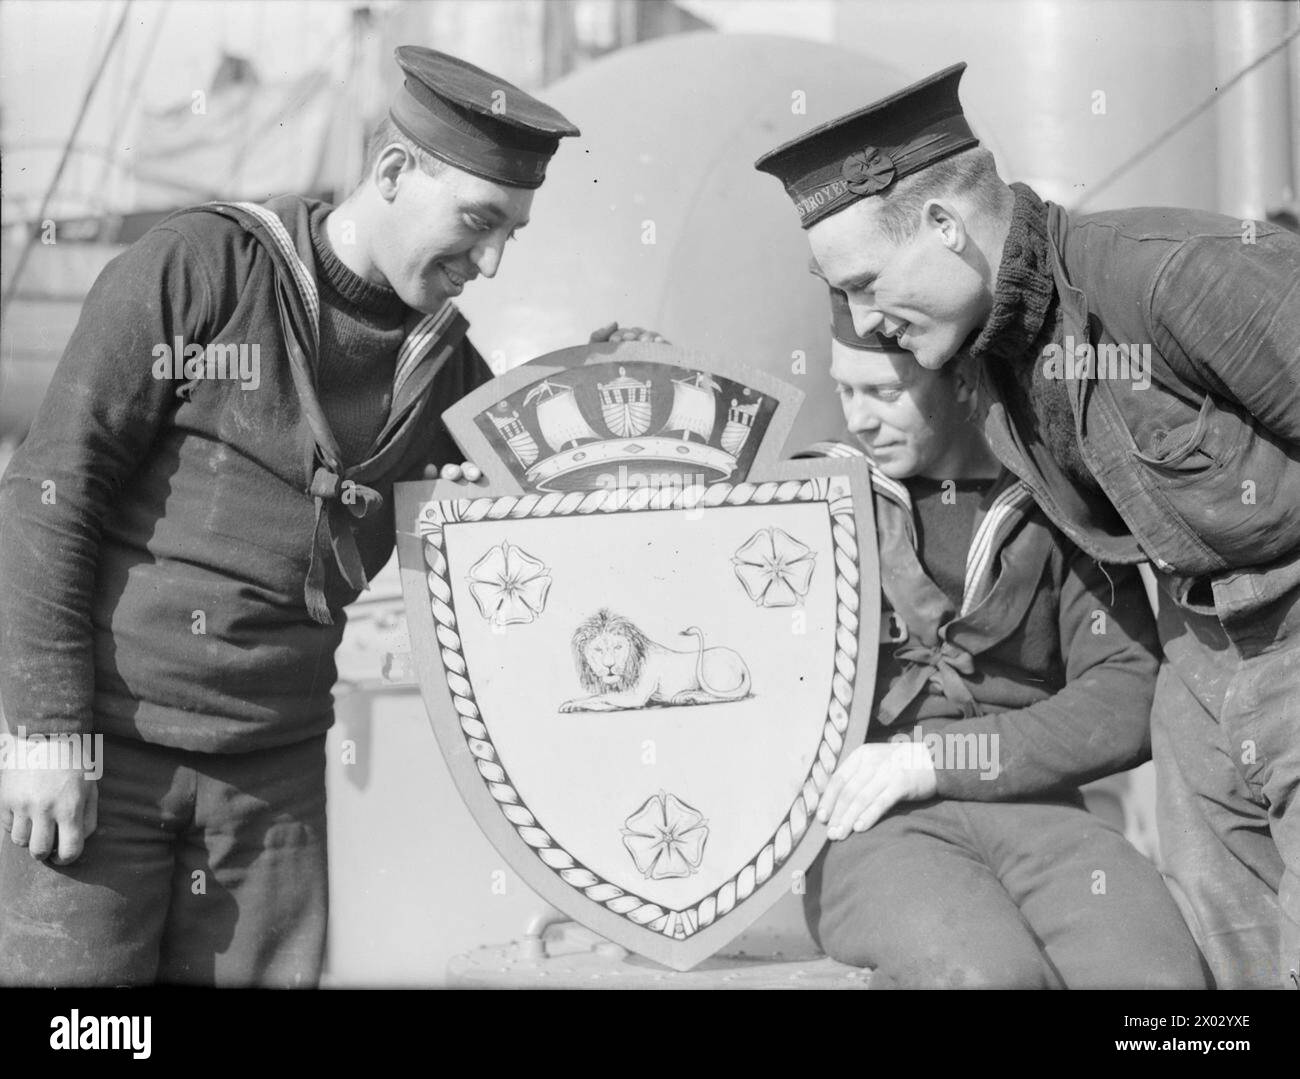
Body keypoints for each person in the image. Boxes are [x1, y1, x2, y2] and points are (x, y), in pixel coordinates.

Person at [0, 45, 656, 987]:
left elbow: (544, 500)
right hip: (105, 758)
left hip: (275, 792)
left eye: (511, 233)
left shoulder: (448, 372)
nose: (492, 262)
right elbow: (49, 490)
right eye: (479, 221)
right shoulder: (202, 269)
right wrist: (47, 733)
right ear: (391, 172)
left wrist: (610, 382)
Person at [757, 62, 1300, 989]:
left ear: (944, 226)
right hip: (1200, 666)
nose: (864, 322)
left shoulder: (1166, 273)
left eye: (868, 284)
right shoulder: (993, 364)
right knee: (1220, 984)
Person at [792, 287, 1206, 988]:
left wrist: (938, 759)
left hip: (1037, 811)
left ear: (960, 380)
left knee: (1158, 984)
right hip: (870, 827)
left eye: (884, 393)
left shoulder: (1053, 506)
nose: (858, 419)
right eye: (845, 390)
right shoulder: (809, 506)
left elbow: (1125, 692)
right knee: (982, 976)